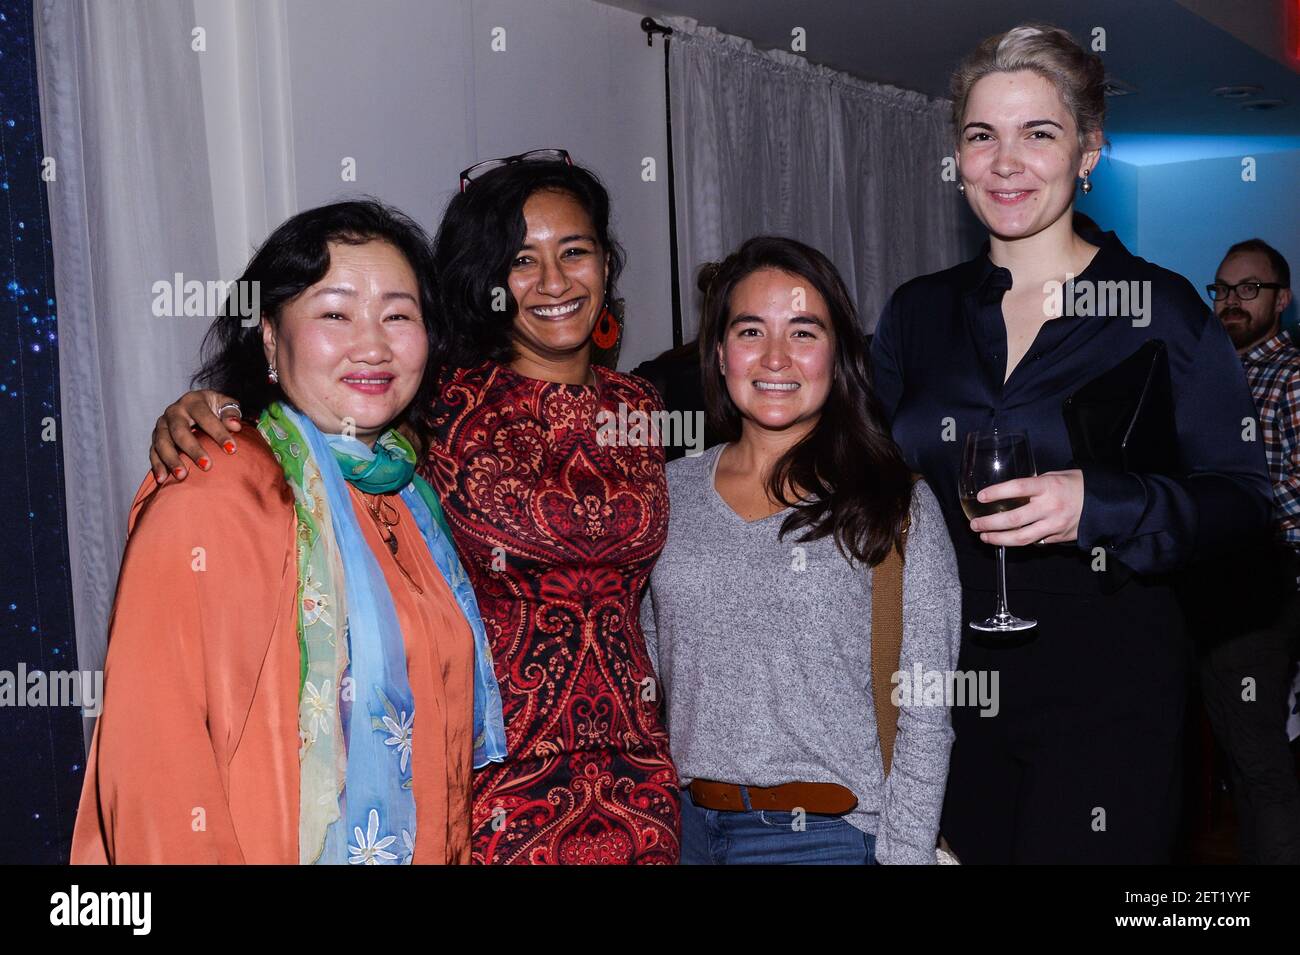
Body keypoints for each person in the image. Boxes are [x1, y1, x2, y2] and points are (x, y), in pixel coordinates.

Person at [145, 153, 680, 864]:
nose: (554, 281)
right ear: (489, 279)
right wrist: (211, 407)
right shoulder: (436, 410)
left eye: (574, 251)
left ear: (606, 266)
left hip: (636, 778)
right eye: (522, 259)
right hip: (494, 783)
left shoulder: (642, 409)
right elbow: (315, 432)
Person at [870, 24, 1273, 863]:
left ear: (1088, 151)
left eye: (1038, 133)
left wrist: (1101, 501)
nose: (1006, 161)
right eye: (982, 135)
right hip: (948, 684)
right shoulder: (918, 312)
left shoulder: (1162, 313)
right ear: (959, 157)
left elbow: (1242, 502)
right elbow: (870, 479)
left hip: (1109, 683)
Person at [72, 199, 506, 864]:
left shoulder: (410, 494)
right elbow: (156, 761)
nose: (373, 343)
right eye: (335, 313)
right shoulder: (217, 482)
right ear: (272, 337)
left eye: (398, 314)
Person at [642, 237, 961, 865]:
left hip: (826, 839)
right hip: (678, 831)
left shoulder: (895, 503)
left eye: (804, 332)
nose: (776, 358)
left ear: (839, 353)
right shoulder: (665, 493)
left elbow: (926, 714)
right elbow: (649, 666)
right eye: (751, 331)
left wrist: (905, 856)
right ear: (719, 352)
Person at [1200, 238, 1300, 863]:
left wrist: (1235, 514)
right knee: (1235, 752)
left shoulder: (1292, 376)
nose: (1232, 302)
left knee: (1259, 759)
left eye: (1249, 289)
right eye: (1222, 289)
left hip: (1266, 583)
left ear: (1281, 299)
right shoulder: (1213, 373)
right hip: (1212, 583)